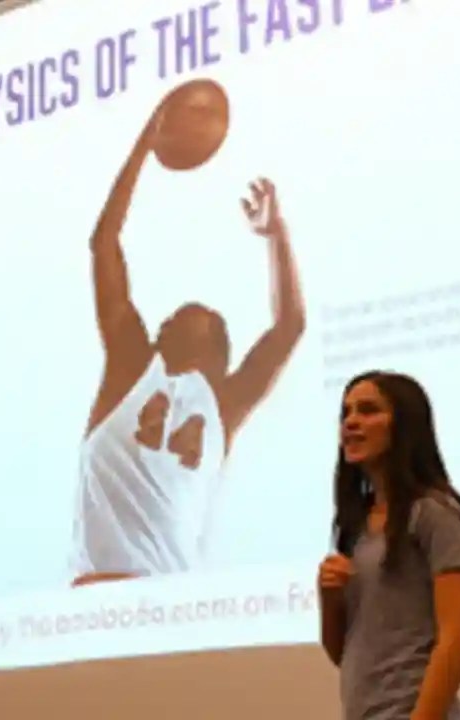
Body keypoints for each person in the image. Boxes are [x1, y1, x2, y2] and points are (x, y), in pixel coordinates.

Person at [69, 102, 306, 587]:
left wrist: (276, 235)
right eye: (182, 314)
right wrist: (145, 144)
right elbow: (105, 243)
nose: (199, 314)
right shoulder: (132, 367)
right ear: (161, 334)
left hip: (175, 605)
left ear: (224, 357)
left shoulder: (223, 402)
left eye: (215, 324)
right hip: (96, 600)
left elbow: (289, 327)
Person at [318, 371, 460, 720]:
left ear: (404, 426)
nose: (351, 421)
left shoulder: (433, 513)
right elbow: (344, 653)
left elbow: (458, 637)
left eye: (368, 410)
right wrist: (329, 598)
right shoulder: (356, 525)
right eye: (345, 412)